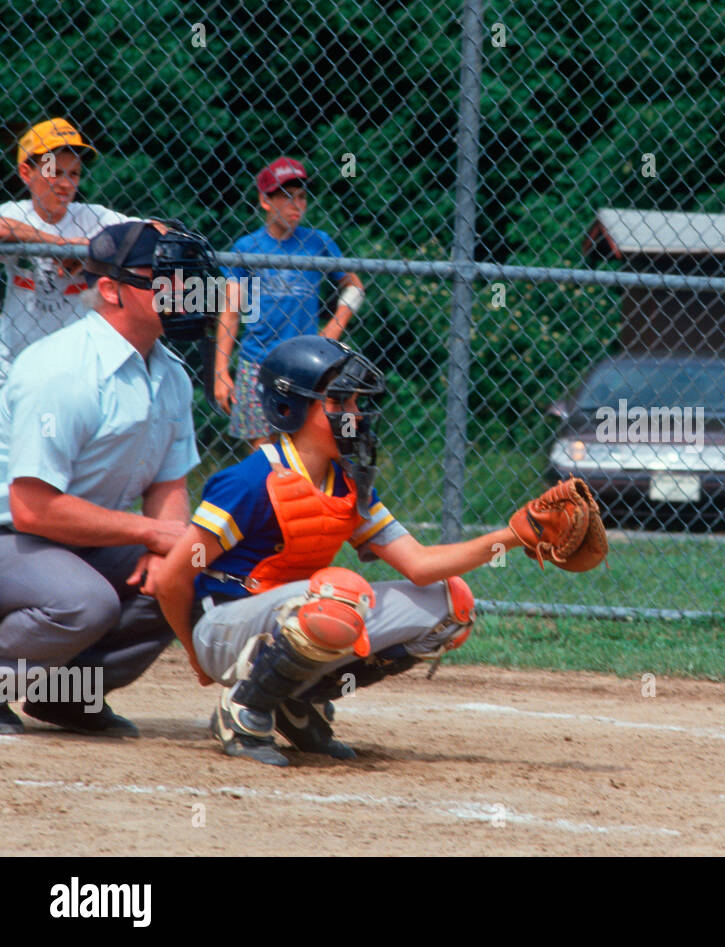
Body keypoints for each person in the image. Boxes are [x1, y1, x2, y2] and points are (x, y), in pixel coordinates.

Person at [152, 335, 606, 767]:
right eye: (338, 402)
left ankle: (292, 701)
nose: (354, 414)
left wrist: (517, 533)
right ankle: (243, 711)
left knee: (450, 604)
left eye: (354, 403)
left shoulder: (348, 485)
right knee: (339, 594)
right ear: (291, 407)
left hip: (288, 617)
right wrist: (196, 653)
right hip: (222, 628)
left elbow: (422, 566)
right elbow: (171, 578)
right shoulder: (250, 482)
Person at [0, 219, 217, 737]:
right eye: (163, 277)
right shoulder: (62, 369)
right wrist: (145, 533)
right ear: (110, 289)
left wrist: (167, 548)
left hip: (81, 542)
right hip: (14, 536)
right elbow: (32, 509)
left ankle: (68, 699)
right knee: (84, 602)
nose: (183, 290)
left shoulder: (171, 375)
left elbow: (167, 489)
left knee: (189, 570)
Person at [213, 157, 365, 445]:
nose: (297, 204)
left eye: (302, 197)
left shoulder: (317, 242)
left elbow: (355, 285)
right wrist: (221, 371)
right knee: (264, 459)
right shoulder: (247, 248)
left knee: (306, 450)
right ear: (265, 201)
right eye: (286, 196)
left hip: (307, 366)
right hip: (259, 362)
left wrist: (335, 327)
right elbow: (231, 311)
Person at [0, 118, 132, 383]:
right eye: (54, 172)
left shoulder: (91, 218)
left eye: (73, 174)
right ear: (26, 173)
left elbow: (156, 234)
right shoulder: (15, 213)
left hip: (77, 368)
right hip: (14, 363)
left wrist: (94, 251)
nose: (66, 184)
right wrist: (56, 243)